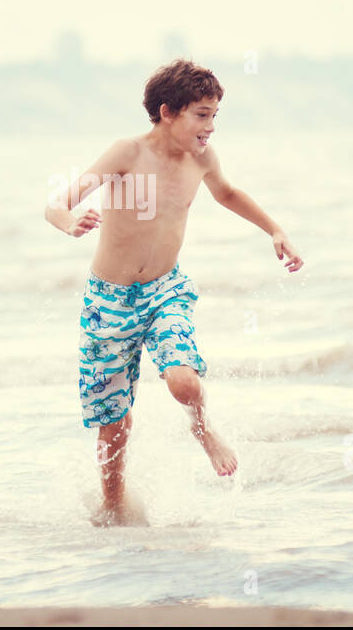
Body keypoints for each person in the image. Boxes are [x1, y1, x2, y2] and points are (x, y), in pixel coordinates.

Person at [44, 58, 303, 525]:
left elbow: (227, 194)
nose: (210, 127)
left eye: (214, 116)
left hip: (165, 289)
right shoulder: (127, 153)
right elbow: (57, 203)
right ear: (168, 112)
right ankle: (113, 507)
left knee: (183, 382)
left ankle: (204, 431)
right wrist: (69, 222)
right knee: (114, 424)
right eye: (201, 115)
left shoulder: (201, 159)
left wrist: (275, 230)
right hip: (109, 301)